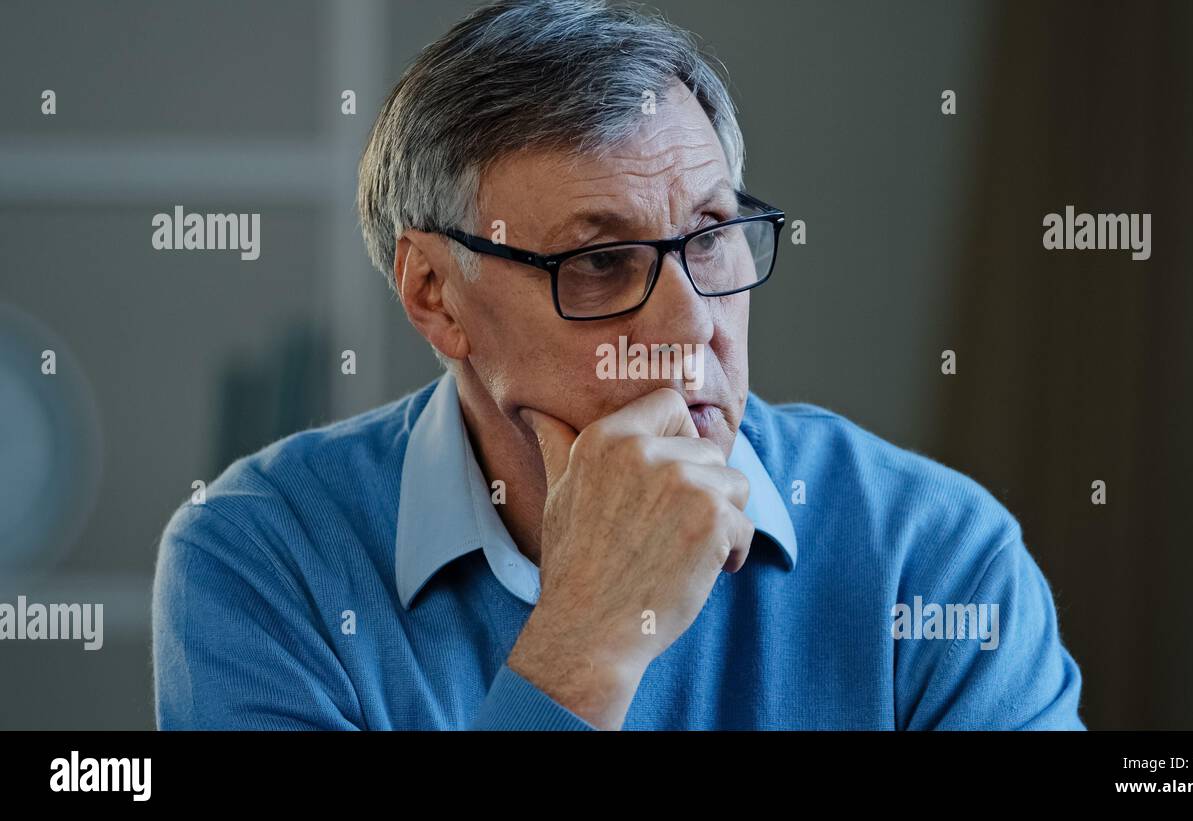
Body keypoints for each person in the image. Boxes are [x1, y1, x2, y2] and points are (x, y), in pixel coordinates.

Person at [152, 0, 1084, 730]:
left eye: (712, 236)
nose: (692, 325)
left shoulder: (938, 557)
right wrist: (586, 643)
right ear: (436, 294)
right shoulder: (262, 556)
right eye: (600, 261)